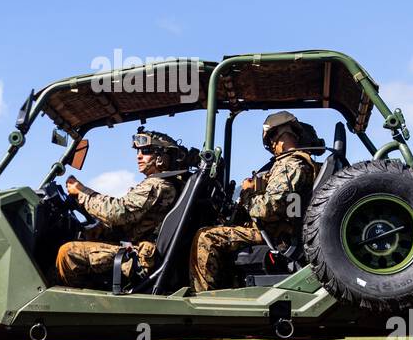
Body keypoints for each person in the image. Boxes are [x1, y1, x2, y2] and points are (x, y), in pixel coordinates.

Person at [188, 111, 318, 292]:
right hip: (275, 230)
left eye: (271, 140)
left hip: (274, 235)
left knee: (206, 236)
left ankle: (200, 301)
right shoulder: (291, 164)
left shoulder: (291, 164)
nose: (272, 146)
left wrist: (248, 193)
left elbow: (267, 209)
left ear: (277, 134)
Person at [54, 130, 186, 287]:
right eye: (138, 151)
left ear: (161, 158)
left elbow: (118, 212)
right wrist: (102, 228)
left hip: (141, 259)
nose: (138, 156)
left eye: (145, 151)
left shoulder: (157, 185)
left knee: (67, 253)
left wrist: (81, 192)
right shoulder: (164, 184)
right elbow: (133, 221)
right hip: (143, 252)